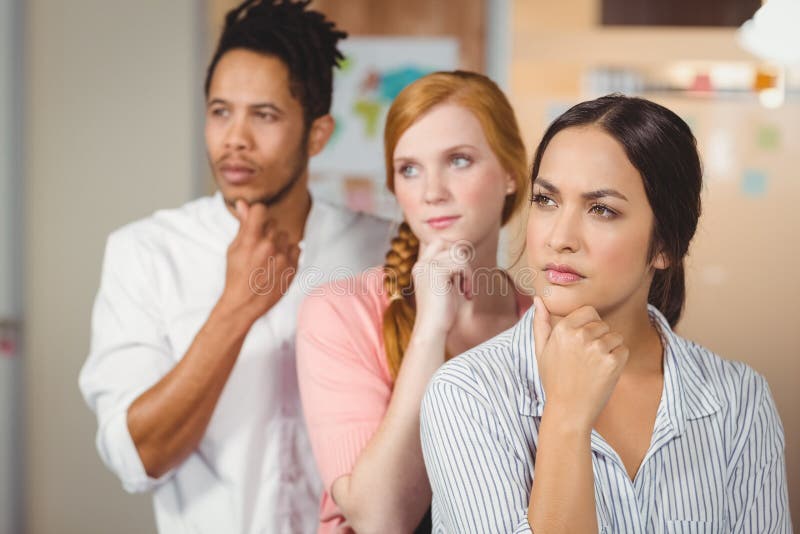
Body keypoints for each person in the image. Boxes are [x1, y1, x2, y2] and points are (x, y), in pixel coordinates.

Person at [79, 1, 391, 532]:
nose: (235, 138)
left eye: (264, 115)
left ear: (317, 134)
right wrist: (235, 308)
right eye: (220, 111)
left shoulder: (384, 252)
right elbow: (139, 458)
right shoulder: (145, 253)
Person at [420, 94, 792, 533]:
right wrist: (566, 416)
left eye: (602, 209)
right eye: (546, 200)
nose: (560, 237)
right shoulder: (468, 395)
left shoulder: (739, 400)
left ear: (665, 245)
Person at [295, 70, 532, 533]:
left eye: (459, 160)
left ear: (509, 173)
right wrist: (430, 330)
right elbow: (380, 520)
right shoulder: (339, 314)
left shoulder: (542, 325)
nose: (431, 192)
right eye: (409, 169)